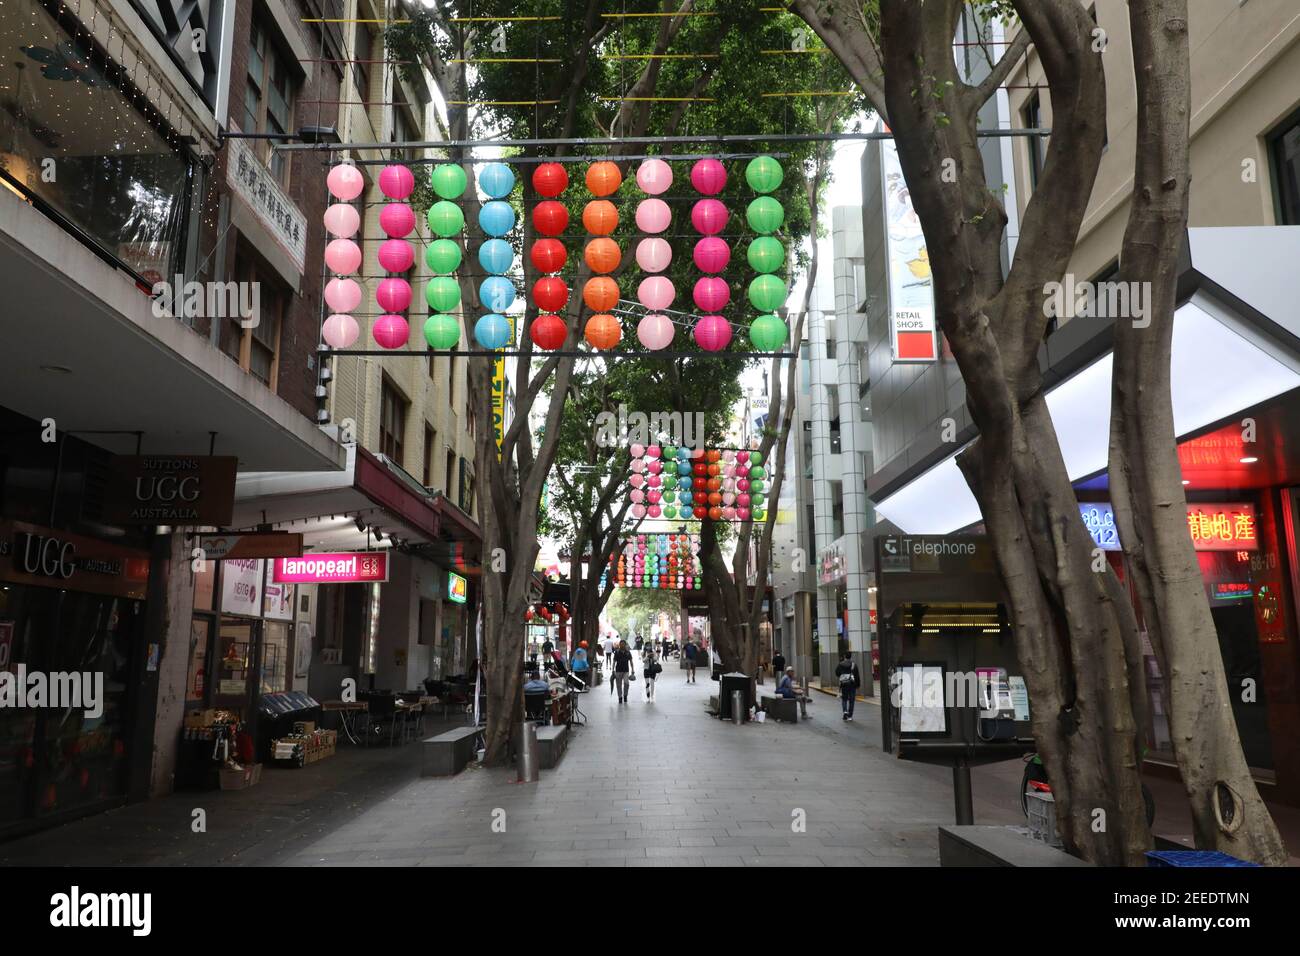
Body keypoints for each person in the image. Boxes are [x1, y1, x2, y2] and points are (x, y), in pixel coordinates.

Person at [835, 652, 862, 721]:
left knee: (844, 699)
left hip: (844, 684)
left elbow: (837, 673)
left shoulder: (840, 664)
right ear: (850, 657)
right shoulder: (854, 665)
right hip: (852, 684)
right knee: (851, 700)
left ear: (845, 656)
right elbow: (857, 676)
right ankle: (850, 716)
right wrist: (858, 685)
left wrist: (842, 676)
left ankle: (845, 712)